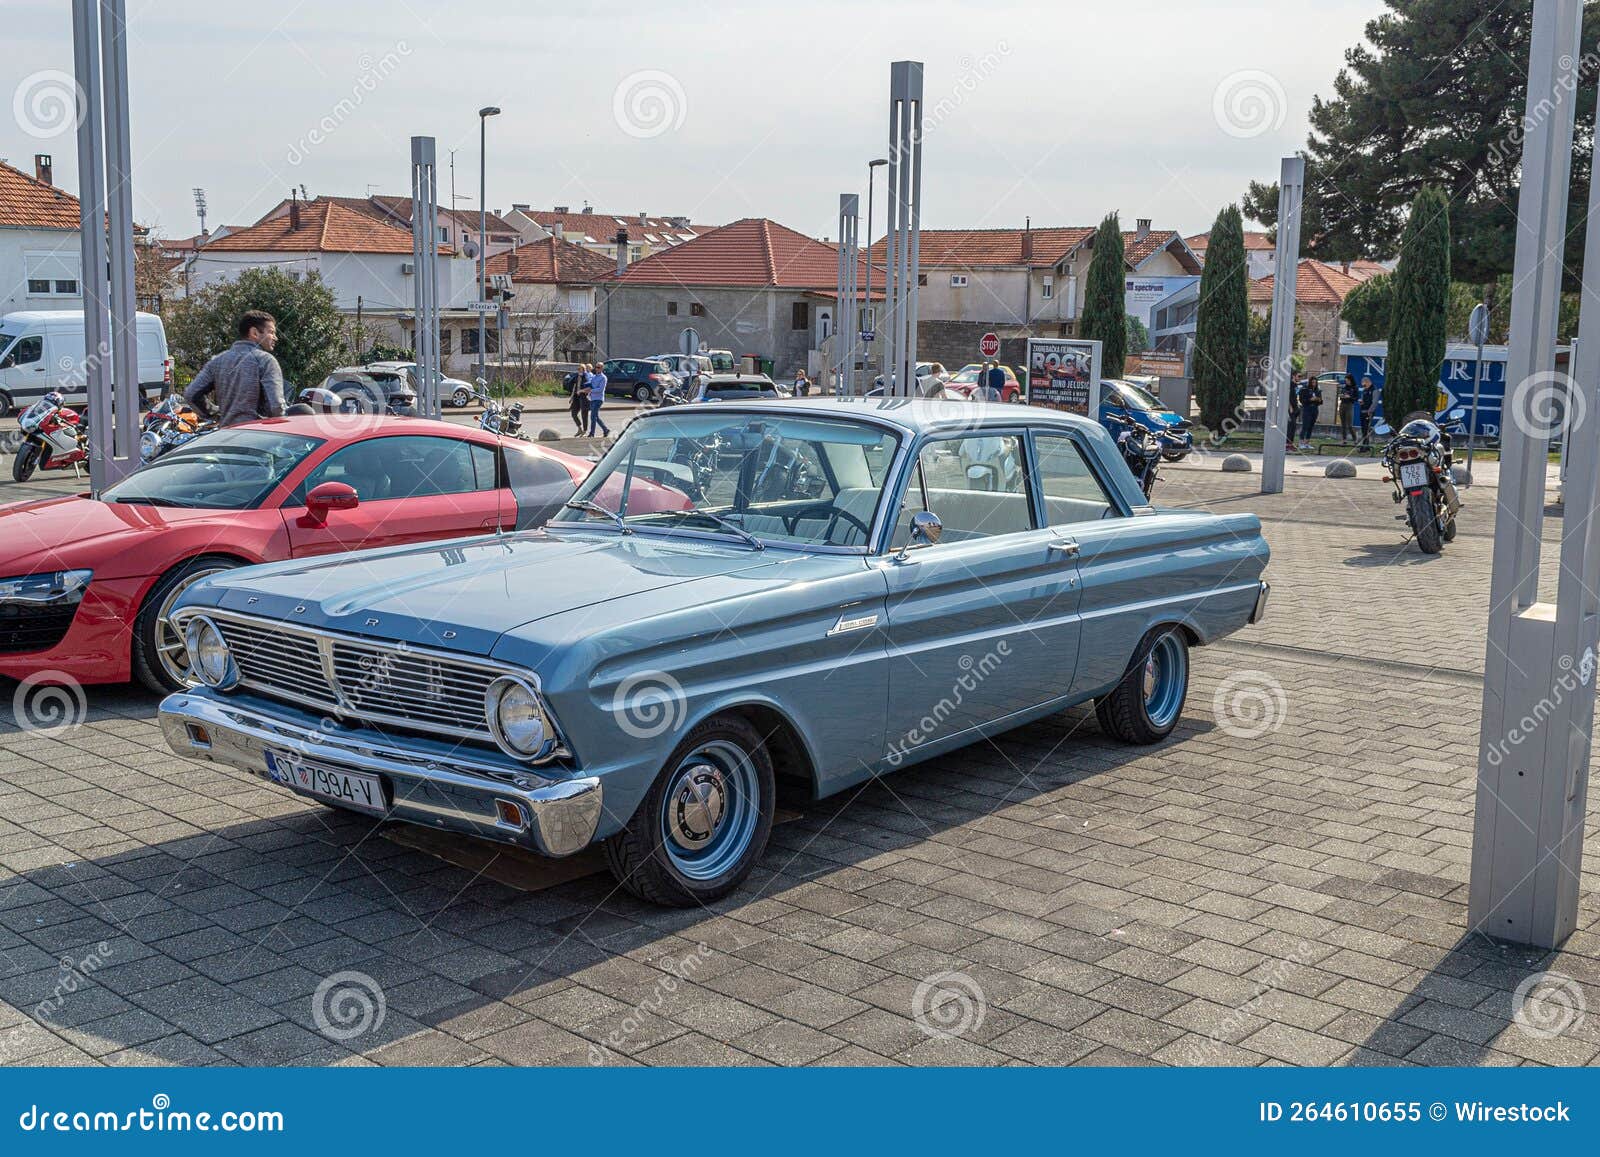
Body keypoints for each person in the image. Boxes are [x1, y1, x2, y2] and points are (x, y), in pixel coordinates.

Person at [183, 310, 285, 426]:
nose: (275, 337)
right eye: (271, 332)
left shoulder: (217, 361)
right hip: (257, 437)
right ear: (254, 333)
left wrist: (216, 414)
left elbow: (191, 394)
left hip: (227, 435)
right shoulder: (266, 360)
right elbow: (276, 406)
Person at [1297, 373, 1323, 448]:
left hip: (1315, 409)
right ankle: (1301, 442)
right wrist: (1310, 399)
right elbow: (1302, 400)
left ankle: (1307, 443)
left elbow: (1321, 401)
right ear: (1310, 382)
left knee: (1311, 426)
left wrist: (1318, 399)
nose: (1314, 384)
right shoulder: (1304, 389)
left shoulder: (1318, 390)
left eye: (1315, 382)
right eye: (1312, 382)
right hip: (1307, 409)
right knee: (1305, 426)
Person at [587, 361, 610, 439]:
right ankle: (605, 430)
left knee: (593, 416)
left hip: (598, 399)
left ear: (602, 368)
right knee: (595, 416)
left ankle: (592, 433)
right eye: (596, 367)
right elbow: (590, 385)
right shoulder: (594, 377)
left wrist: (591, 390)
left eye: (599, 367)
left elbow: (600, 389)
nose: (597, 369)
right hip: (592, 398)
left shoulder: (603, 378)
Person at [567, 363, 589, 434]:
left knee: (584, 414)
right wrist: (571, 397)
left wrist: (582, 391)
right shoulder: (576, 376)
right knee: (573, 413)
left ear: (583, 369)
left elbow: (589, 387)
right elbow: (574, 387)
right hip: (576, 397)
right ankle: (580, 428)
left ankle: (585, 430)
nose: (578, 370)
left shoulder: (586, 376)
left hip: (584, 397)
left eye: (580, 369)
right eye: (578, 369)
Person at [1337, 372, 1358, 442]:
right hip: (1342, 404)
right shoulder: (1344, 386)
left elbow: (1356, 398)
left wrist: (1349, 397)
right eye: (1346, 380)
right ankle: (1344, 439)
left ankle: (1355, 438)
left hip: (1349, 405)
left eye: (1348, 380)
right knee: (1343, 424)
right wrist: (1342, 396)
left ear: (1351, 380)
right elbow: (1340, 395)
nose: (1347, 382)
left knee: (1350, 425)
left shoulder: (1355, 387)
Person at [1358, 374, 1377, 449]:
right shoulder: (1365, 390)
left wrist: (1370, 411)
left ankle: (1364, 446)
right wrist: (1362, 402)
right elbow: (1365, 400)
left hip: (1369, 412)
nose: (1363, 385)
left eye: (1364, 384)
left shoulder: (1374, 390)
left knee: (1366, 429)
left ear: (1368, 382)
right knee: (1364, 429)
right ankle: (1366, 445)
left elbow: (1374, 402)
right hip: (1363, 411)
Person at [1286, 371, 1301, 452]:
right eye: (1298, 376)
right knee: (1291, 426)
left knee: (1294, 426)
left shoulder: (1296, 385)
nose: (1299, 378)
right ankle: (1287, 444)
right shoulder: (1290, 385)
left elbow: (1295, 396)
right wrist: (1290, 406)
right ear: (1293, 376)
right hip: (1291, 408)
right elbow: (1287, 396)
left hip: (1296, 407)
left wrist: (1297, 404)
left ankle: (1291, 443)